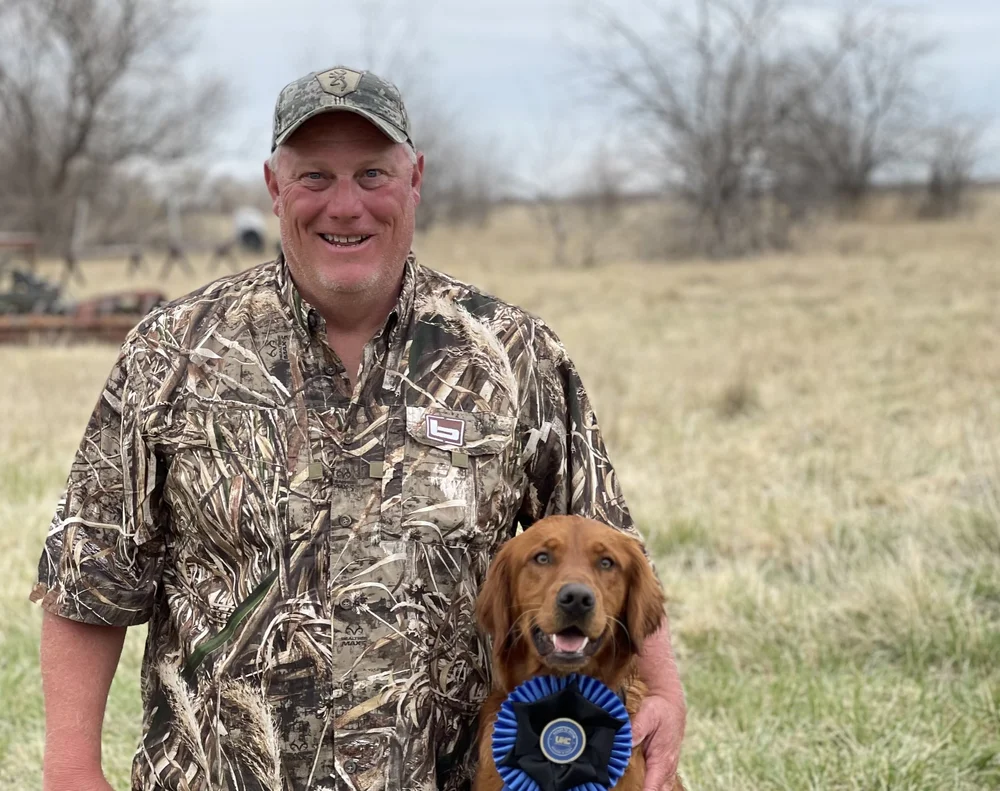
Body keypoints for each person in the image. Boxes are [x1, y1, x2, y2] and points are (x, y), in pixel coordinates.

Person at [31, 66, 686, 791]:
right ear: (275, 187)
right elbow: (88, 578)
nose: (346, 206)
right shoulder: (172, 352)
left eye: (373, 173)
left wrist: (662, 693)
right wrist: (69, 769)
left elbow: (612, 549)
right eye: (315, 176)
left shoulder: (514, 353)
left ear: (415, 180)